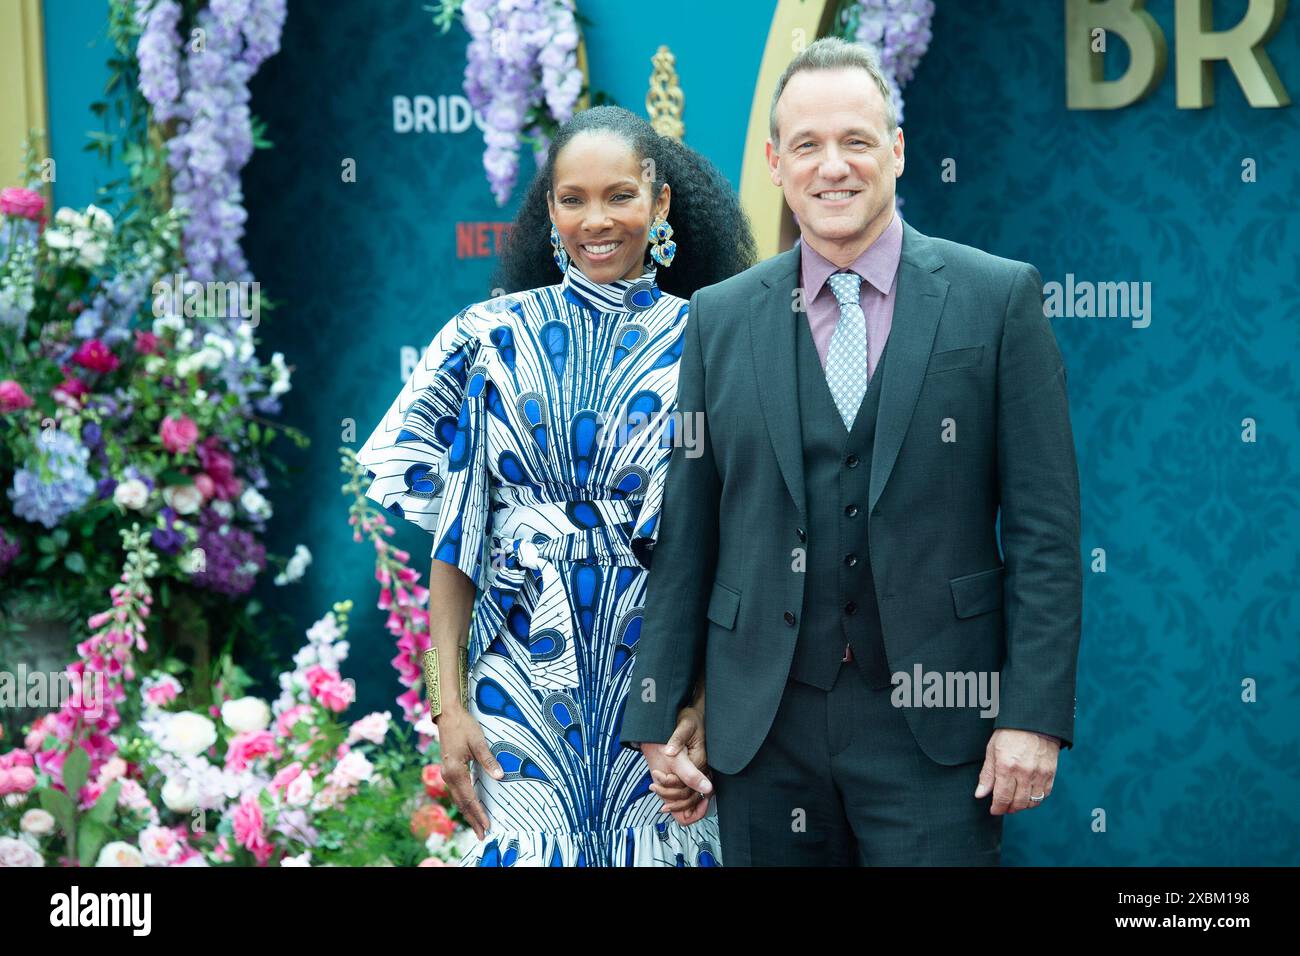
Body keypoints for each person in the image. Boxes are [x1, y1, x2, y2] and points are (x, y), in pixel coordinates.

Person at [620, 37, 1083, 865]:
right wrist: (661, 709)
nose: (833, 167)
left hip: (937, 726)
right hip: (760, 728)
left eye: (857, 141)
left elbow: (1046, 533)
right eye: (807, 145)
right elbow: (687, 531)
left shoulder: (996, 298)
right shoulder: (718, 318)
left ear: (897, 150)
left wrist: (1032, 714)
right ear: (775, 162)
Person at [356, 105, 755, 866]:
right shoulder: (485, 340)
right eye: (573, 199)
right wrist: (449, 707)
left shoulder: (712, 341)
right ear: (549, 210)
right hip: (517, 678)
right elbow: (456, 547)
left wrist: (702, 703)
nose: (596, 220)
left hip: (659, 684)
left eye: (620, 196)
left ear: (661, 202)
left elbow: (731, 554)